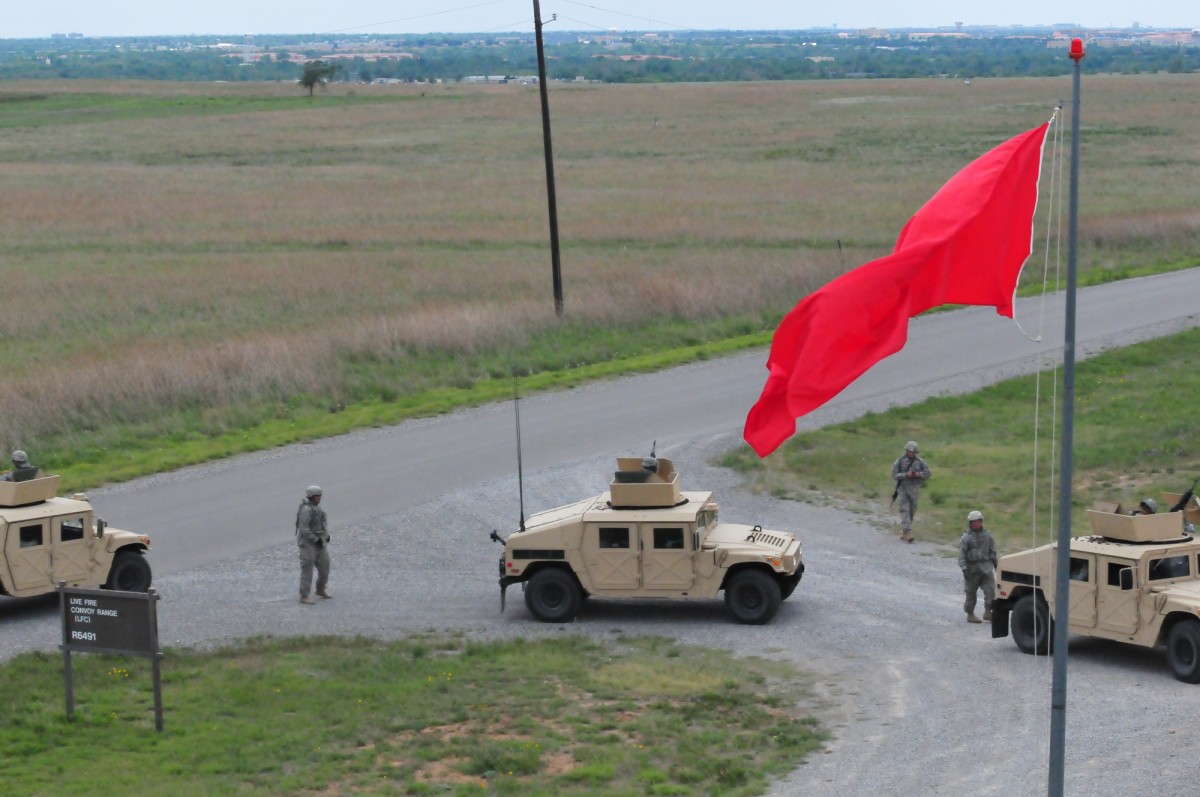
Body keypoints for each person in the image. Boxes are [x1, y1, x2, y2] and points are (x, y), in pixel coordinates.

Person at [958, 510, 998, 624]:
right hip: (972, 570)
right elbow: (962, 554)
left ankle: (988, 611)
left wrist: (996, 564)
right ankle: (970, 614)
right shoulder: (966, 538)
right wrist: (964, 568)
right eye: (973, 522)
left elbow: (993, 551)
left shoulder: (988, 536)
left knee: (990, 590)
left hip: (986, 568)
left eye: (977, 521)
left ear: (981, 522)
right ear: (970, 523)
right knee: (970, 592)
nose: (975, 524)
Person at [295, 485, 332, 605]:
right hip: (308, 545)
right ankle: (304, 595)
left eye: (319, 496)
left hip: (319, 543)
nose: (319, 498)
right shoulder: (306, 510)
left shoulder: (318, 509)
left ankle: (320, 589)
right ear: (312, 496)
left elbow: (322, 525)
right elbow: (304, 529)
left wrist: (325, 536)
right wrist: (315, 539)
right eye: (317, 496)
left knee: (325, 567)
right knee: (307, 570)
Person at [891, 441, 931, 542]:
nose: (912, 454)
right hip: (903, 488)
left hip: (914, 489)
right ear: (906, 451)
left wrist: (918, 474)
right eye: (910, 452)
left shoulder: (920, 462)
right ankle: (908, 531)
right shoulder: (899, 461)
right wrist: (905, 475)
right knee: (904, 508)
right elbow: (894, 474)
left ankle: (905, 532)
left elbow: (928, 473)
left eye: (914, 452)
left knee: (912, 510)